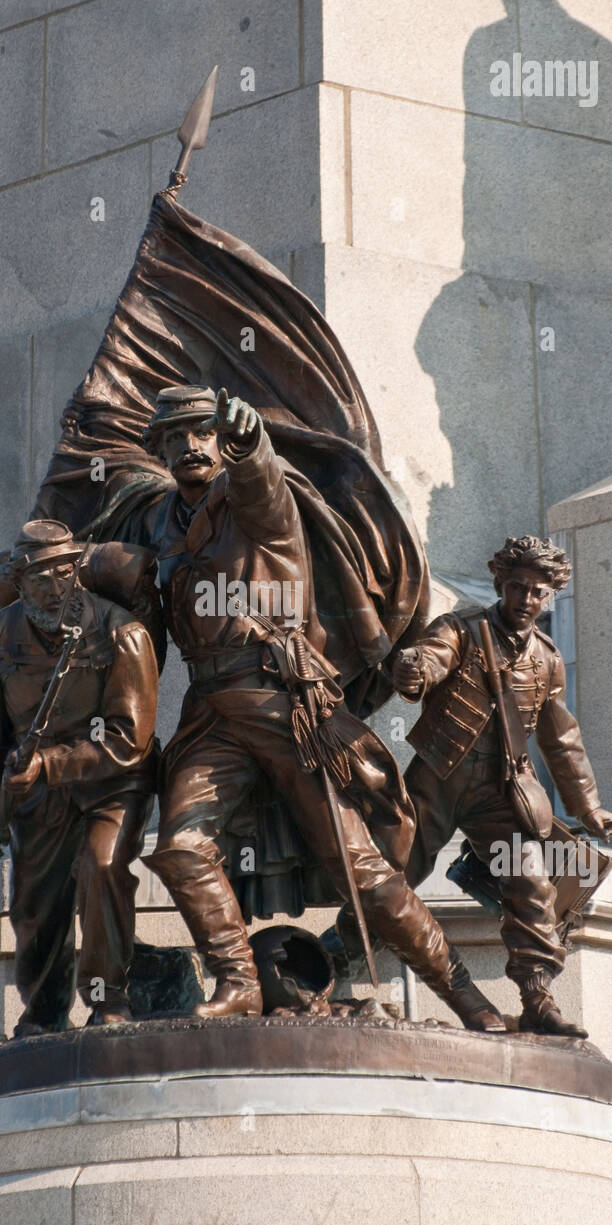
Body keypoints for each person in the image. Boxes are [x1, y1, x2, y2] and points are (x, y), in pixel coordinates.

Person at [133, 383, 505, 1030]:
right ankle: (239, 985)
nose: (189, 447)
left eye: (201, 434)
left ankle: (468, 998)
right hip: (211, 712)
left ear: (221, 442)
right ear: (160, 449)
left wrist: (249, 445)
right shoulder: (164, 521)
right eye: (174, 438)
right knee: (181, 848)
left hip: (286, 705)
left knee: (361, 868)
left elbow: (260, 481)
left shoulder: (257, 501)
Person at [392, 535, 612, 1037]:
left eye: (537, 592)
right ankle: (334, 962)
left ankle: (537, 998)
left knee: (532, 885)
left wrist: (590, 807)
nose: (526, 600)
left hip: (503, 791)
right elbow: (428, 659)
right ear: (500, 584)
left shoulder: (548, 659)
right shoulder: (463, 628)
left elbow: (562, 741)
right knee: (394, 877)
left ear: (549, 596)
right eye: (517, 588)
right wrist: (414, 670)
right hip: (439, 778)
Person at [0, 520, 158, 1034]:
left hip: (112, 784)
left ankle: (107, 998)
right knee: (34, 904)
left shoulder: (122, 633)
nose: (55, 588)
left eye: (65, 573)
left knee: (102, 865)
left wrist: (49, 762)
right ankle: (44, 1015)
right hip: (37, 797)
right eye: (41, 578)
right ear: (20, 583)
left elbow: (128, 739)